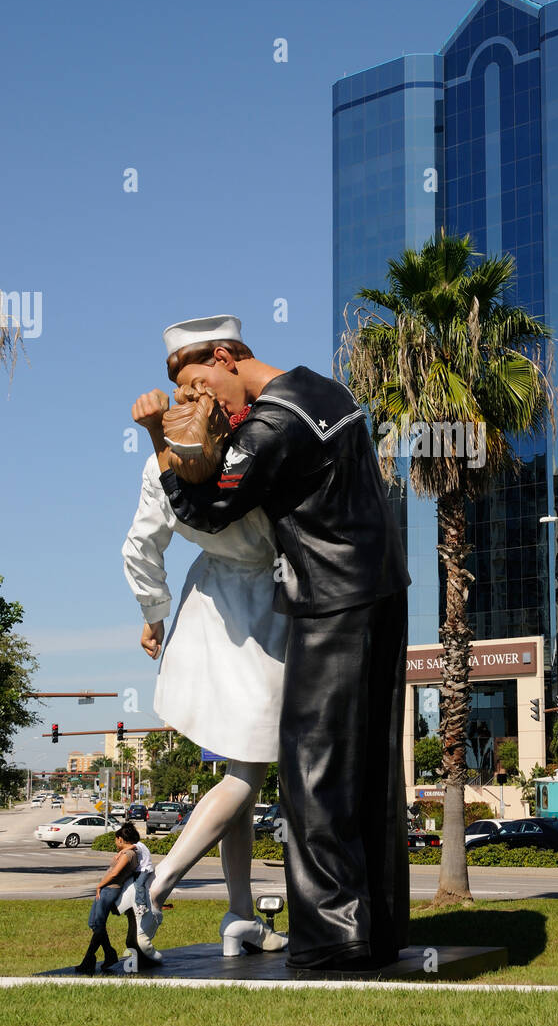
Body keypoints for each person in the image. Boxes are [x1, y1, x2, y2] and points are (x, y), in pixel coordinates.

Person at [132, 314, 412, 971]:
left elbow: (205, 507)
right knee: (355, 769)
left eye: (199, 384)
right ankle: (352, 924)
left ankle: (332, 942)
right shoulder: (324, 391)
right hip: (372, 588)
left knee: (311, 776)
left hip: (323, 602)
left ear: (228, 357)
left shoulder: (271, 424)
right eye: (183, 394)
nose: (196, 402)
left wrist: (158, 440)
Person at [122, 377, 291, 958]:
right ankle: (157, 883)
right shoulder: (253, 455)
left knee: (245, 776)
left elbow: (140, 546)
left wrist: (154, 615)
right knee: (246, 773)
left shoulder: (158, 469)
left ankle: (241, 914)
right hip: (261, 617)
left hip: (209, 611)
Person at [75, 825, 140, 974]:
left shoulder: (128, 855)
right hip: (107, 889)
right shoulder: (129, 852)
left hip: (109, 890)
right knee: (94, 923)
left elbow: (114, 873)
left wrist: (99, 885)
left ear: (120, 839)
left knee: (98, 925)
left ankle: (89, 959)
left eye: (116, 840)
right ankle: (109, 953)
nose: (115, 843)